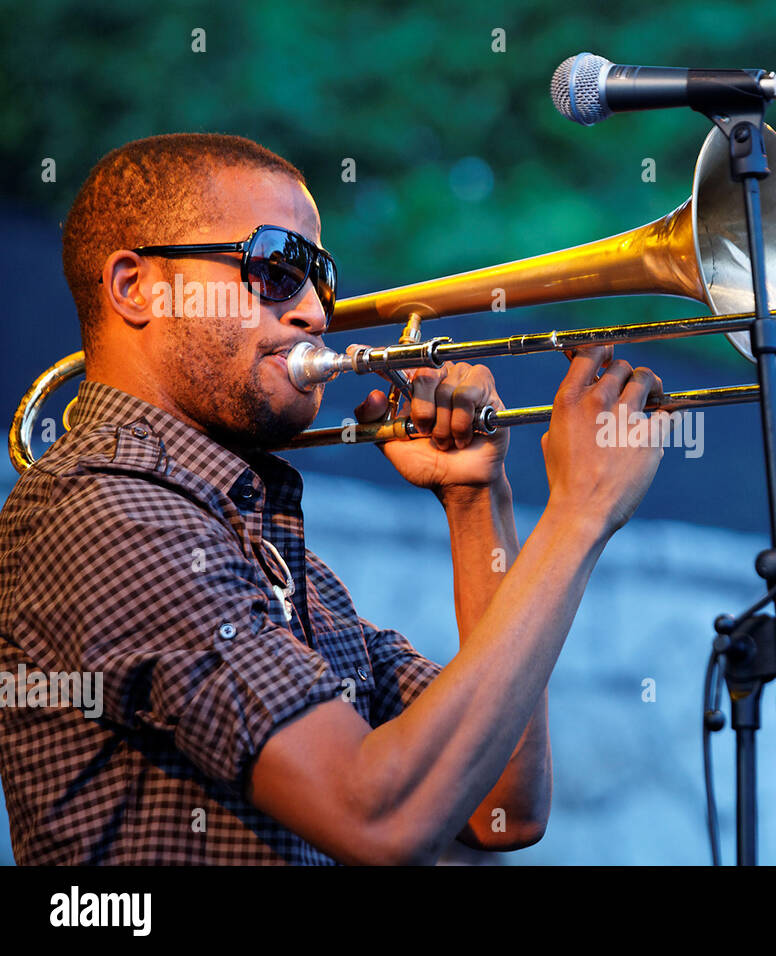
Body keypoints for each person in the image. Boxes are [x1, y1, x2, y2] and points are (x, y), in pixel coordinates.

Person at [0, 133, 669, 865]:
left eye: (323, 281)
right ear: (136, 287)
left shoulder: (271, 558)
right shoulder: (104, 512)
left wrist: (479, 501)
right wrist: (577, 518)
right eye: (277, 270)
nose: (318, 313)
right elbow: (376, 817)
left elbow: (501, 803)